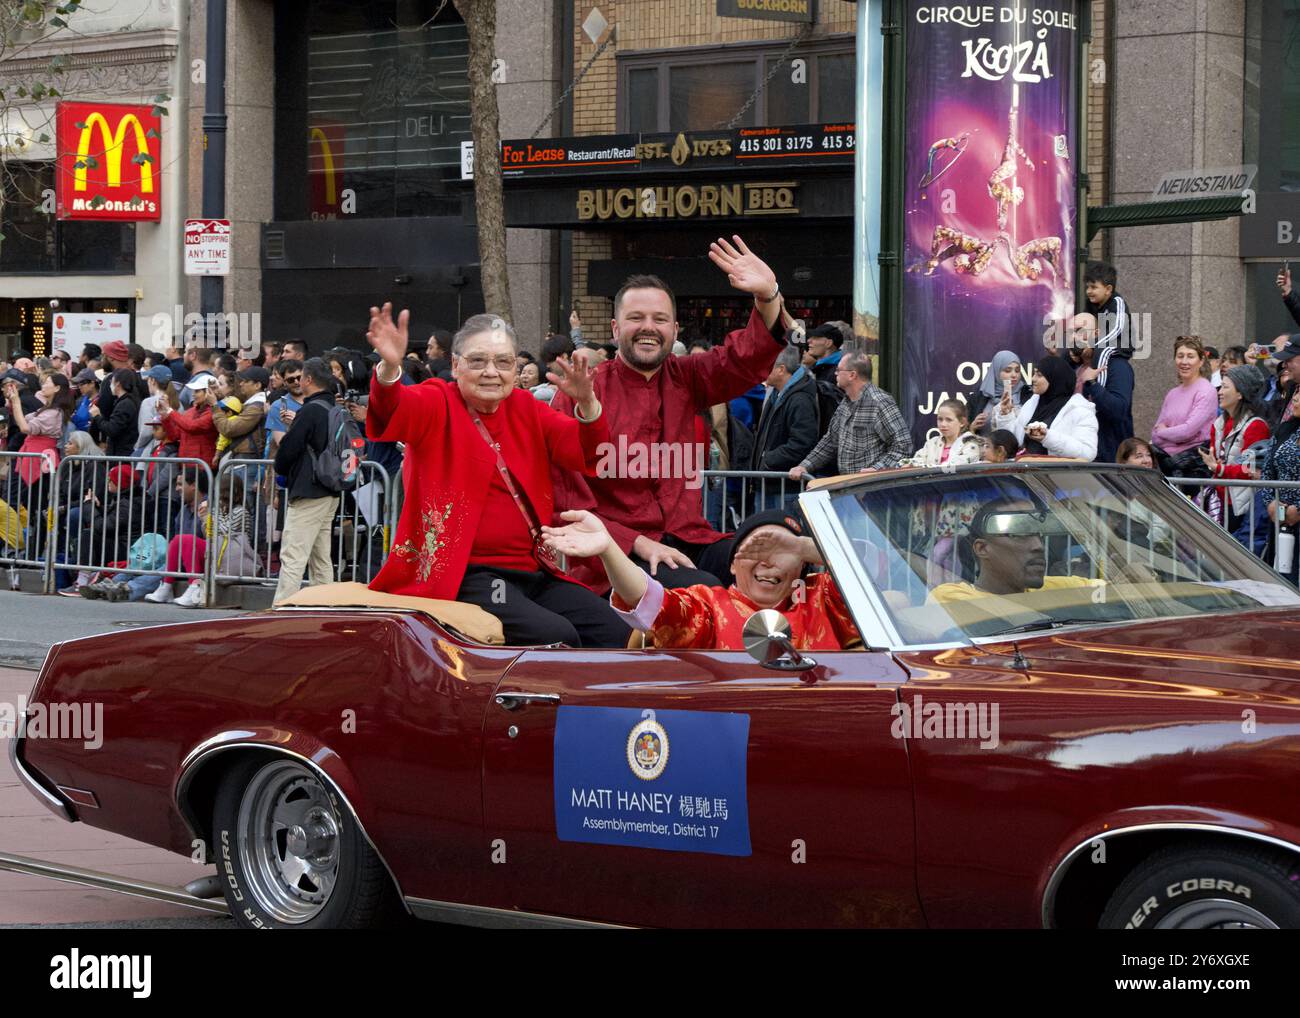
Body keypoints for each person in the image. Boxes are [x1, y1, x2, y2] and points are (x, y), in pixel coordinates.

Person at [363, 308, 631, 648]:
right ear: (456, 365)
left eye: (503, 362)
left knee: (615, 631)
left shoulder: (527, 407)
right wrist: (388, 369)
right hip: (466, 574)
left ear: (516, 369)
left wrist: (588, 403)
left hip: (534, 571)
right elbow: (391, 413)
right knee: (555, 636)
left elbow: (586, 453)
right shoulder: (437, 400)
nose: (491, 372)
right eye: (478, 361)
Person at [551, 237, 789, 592]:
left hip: (689, 538)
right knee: (703, 589)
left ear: (674, 330)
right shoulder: (582, 391)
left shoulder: (689, 377)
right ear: (616, 330)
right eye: (636, 318)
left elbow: (746, 358)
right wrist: (638, 542)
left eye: (660, 319)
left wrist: (768, 295)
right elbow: (565, 499)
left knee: (775, 559)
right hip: (615, 555)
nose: (649, 326)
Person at [542, 508, 861, 650]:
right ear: (734, 565)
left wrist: (806, 546)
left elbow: (889, 572)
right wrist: (610, 550)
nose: (767, 561)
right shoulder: (710, 607)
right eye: (757, 548)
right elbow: (649, 601)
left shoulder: (824, 596)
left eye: (783, 550)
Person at [929, 497, 1100, 607]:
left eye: (1039, 535)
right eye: (1020, 534)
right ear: (982, 548)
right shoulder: (950, 597)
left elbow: (1121, 592)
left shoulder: (1056, 587)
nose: (1039, 546)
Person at [271, 358, 343, 603]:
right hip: (331, 490)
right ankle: (325, 608)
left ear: (309, 380)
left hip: (308, 490)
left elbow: (287, 452)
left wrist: (280, 466)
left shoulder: (310, 410)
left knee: (293, 555)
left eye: (300, 377)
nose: (298, 381)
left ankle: (282, 610)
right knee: (321, 558)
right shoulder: (335, 409)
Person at [790, 352, 911, 481]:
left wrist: (877, 469)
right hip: (850, 487)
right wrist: (804, 466)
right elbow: (830, 441)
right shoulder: (845, 402)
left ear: (852, 375)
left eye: (838, 370)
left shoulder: (879, 402)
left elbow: (903, 445)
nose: (835, 374)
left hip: (874, 489)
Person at [1199, 364, 1271, 551]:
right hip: (1218, 499)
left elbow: (1251, 470)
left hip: (1239, 504)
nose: (1220, 392)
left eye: (1225, 387)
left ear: (1240, 394)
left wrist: (1219, 468)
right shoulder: (1219, 423)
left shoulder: (1256, 426)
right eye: (1220, 386)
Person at [992, 356, 1098, 460]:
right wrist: (1006, 415)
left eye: (1039, 375)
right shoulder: (1033, 403)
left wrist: (1047, 437)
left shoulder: (1080, 410)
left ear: (1054, 379)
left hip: (1056, 476)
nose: (1033, 379)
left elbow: (1087, 453)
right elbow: (1014, 441)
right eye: (1034, 374)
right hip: (1025, 474)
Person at [751, 345, 819, 480]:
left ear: (781, 369)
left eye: (766, 367)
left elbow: (802, 443)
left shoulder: (800, 400)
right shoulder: (776, 394)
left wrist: (767, 459)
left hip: (784, 485)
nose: (761, 372)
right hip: (770, 480)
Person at [145, 466, 210, 606]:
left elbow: (213, 538)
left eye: (180, 484)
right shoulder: (184, 510)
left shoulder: (211, 505)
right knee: (145, 565)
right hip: (185, 560)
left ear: (194, 486)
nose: (177, 489)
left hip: (206, 560)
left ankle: (129, 588)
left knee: (161, 568)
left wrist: (205, 518)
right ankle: (118, 581)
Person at [1151, 336, 1218, 464]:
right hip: (1164, 461)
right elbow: (1154, 435)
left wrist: (1164, 431)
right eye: (1180, 356)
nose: (1184, 361)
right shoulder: (1172, 393)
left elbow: (1187, 431)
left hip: (1192, 465)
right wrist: (1173, 435)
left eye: (1190, 356)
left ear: (1201, 360)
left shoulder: (1206, 390)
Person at [159, 375, 219, 467]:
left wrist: (170, 411)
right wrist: (165, 416)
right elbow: (174, 435)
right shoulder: (190, 412)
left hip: (202, 466)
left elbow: (191, 426)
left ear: (209, 392)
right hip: (186, 464)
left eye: (197, 391)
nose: (193, 394)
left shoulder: (213, 412)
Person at [212, 366, 269, 460]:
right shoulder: (251, 404)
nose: (241, 383)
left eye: (245, 381)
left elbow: (228, 429)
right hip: (243, 458)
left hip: (247, 460)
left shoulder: (256, 407)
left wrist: (214, 405)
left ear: (257, 385)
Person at [967, 352, 1030, 434]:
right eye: (1008, 371)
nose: (1014, 375)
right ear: (996, 372)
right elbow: (961, 430)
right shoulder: (979, 397)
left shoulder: (1028, 395)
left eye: (1017, 370)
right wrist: (972, 427)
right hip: (985, 445)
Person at [912, 398, 980, 468]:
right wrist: (906, 463)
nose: (943, 424)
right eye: (940, 419)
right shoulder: (931, 443)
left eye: (949, 420)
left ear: (962, 422)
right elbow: (916, 460)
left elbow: (956, 467)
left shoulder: (971, 444)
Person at [88, 368, 141, 457]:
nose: (110, 385)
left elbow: (112, 429)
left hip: (121, 453)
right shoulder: (126, 401)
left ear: (118, 384)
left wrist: (97, 416)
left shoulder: (125, 404)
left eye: (111, 382)